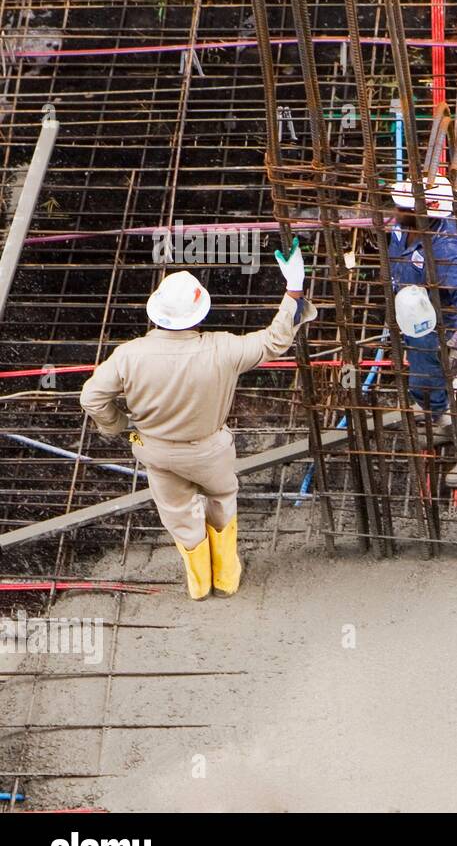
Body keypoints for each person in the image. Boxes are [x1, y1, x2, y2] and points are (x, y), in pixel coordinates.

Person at [79, 245, 315, 599]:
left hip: (155, 450)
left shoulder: (128, 355)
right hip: (209, 449)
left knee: (178, 513)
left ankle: (199, 585)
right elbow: (274, 341)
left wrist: (118, 425)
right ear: (200, 314)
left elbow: (91, 398)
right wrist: (294, 288)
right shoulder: (222, 348)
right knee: (221, 498)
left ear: (155, 314)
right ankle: (227, 577)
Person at [388, 175, 457, 487]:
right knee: (427, 389)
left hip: (439, 327)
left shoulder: (445, 246)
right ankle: (440, 426)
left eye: (403, 208)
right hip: (414, 317)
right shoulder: (401, 229)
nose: (396, 212)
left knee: (442, 388)